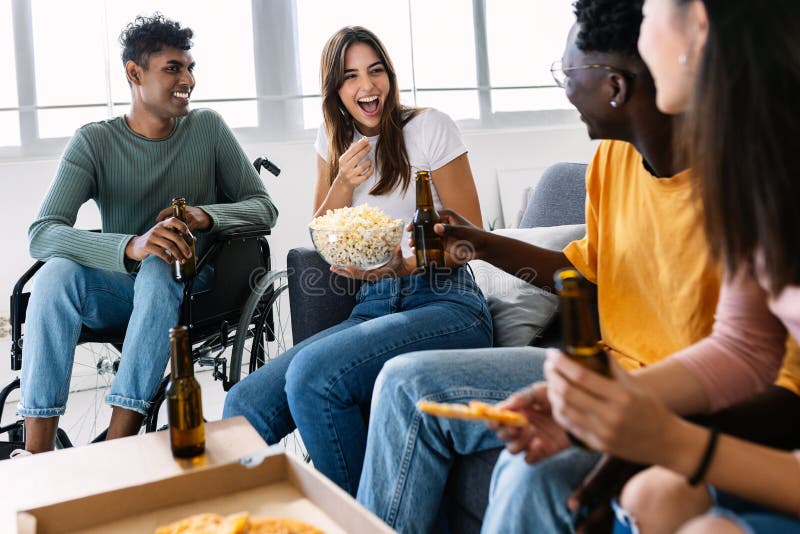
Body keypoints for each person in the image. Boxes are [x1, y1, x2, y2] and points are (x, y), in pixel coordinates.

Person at [355, 1, 730, 531]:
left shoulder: (734, 188)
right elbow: (583, 278)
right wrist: (482, 243)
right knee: (402, 381)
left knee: (530, 473)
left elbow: (748, 365)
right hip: (602, 367)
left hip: (673, 395)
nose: (563, 88)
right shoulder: (613, 160)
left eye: (566, 72)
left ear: (615, 88)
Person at [543, 0, 800, 532]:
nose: (640, 30)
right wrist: (595, 402)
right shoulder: (756, 154)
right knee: (654, 498)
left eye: (651, 10)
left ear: (698, 24)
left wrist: (672, 440)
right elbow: (746, 346)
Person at [222, 26, 492, 496]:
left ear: (389, 75)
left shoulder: (430, 127)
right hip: (373, 307)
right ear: (336, 90)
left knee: (313, 378)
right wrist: (342, 182)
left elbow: (473, 240)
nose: (367, 87)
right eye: (351, 77)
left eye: (376, 71)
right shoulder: (334, 143)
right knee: (244, 403)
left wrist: (403, 266)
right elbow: (324, 239)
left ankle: (355, 521)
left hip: (444, 303)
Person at [15, 13, 278, 455]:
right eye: (173, 68)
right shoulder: (94, 143)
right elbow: (42, 233)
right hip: (122, 288)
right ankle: (37, 456)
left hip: (199, 286)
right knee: (57, 273)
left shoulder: (208, 128)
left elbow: (263, 207)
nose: (188, 79)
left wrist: (204, 215)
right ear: (134, 74)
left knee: (159, 267)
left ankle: (119, 446)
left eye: (190, 67)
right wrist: (130, 245)